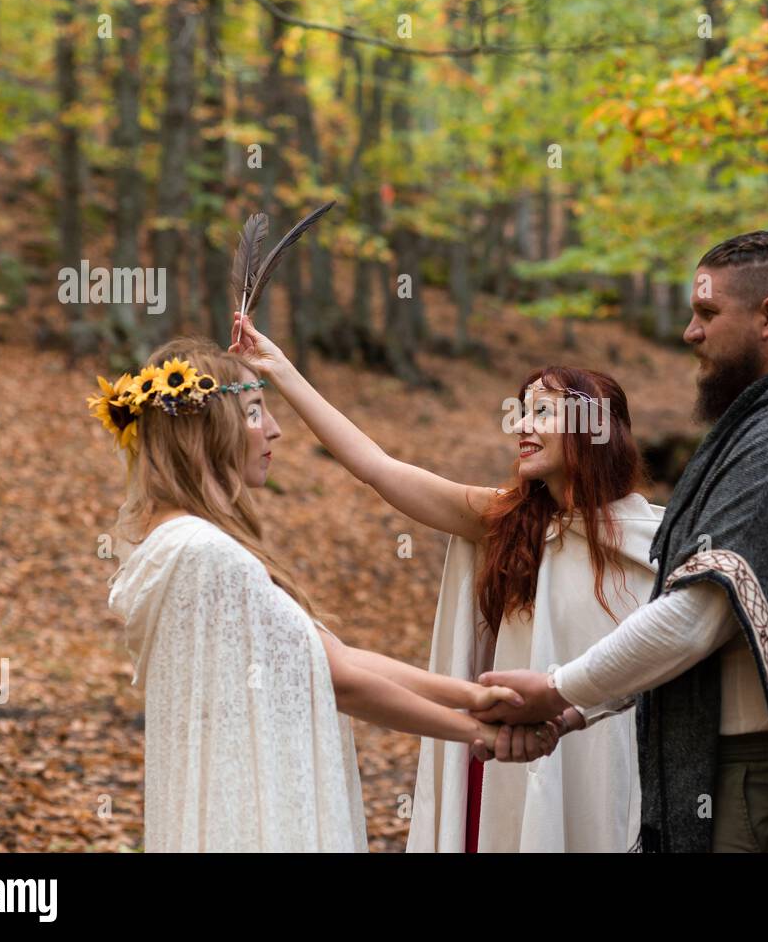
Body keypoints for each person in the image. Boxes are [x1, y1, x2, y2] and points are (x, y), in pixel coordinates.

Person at [472, 231, 768, 853]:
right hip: (745, 774)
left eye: (708, 313)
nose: (690, 331)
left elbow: (696, 618)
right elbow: (704, 628)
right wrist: (579, 711)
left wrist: (558, 689)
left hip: (764, 787)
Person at [230, 312, 661, 852]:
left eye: (542, 413)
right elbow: (376, 467)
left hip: (603, 766)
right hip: (511, 765)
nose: (522, 426)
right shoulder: (502, 519)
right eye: (521, 413)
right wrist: (282, 371)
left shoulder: (656, 543)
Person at [93, 338, 546, 852]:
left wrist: (475, 698)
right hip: (251, 815)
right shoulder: (205, 554)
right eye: (254, 413)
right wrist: (482, 737)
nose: (274, 429)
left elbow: (334, 657)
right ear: (207, 430)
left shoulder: (186, 546)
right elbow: (341, 681)